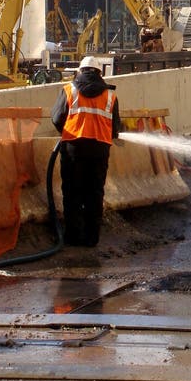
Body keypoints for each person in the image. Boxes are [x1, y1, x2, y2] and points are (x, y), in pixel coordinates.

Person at [51, 56, 121, 247]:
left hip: (73, 148)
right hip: (99, 150)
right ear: (99, 73)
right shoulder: (110, 96)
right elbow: (115, 128)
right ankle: (91, 238)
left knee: (72, 192)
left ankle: (73, 237)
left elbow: (56, 118)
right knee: (95, 193)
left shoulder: (69, 90)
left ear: (80, 71)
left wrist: (67, 132)